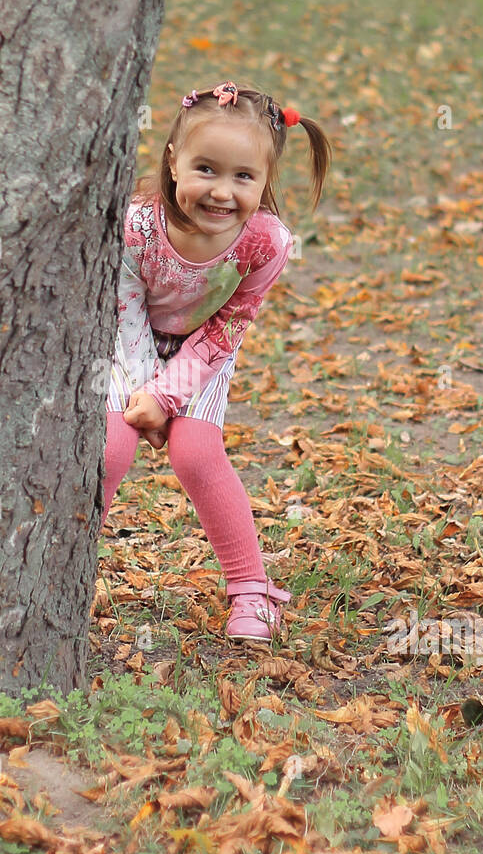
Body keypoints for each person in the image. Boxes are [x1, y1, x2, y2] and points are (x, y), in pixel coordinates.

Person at [101, 80, 332, 643]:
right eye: (206, 169)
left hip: (205, 347)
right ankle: (59, 573)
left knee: (197, 451)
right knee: (109, 446)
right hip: (123, 342)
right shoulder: (137, 226)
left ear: (265, 180)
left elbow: (230, 324)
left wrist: (169, 396)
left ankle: (252, 589)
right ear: (174, 162)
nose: (221, 192)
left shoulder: (266, 243)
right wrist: (144, 395)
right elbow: (123, 310)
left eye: (243, 177)